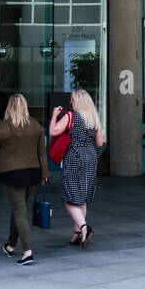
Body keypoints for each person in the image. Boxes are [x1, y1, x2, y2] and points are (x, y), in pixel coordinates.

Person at [0, 93, 48, 265]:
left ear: (9, 107)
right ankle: (10, 245)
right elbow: (42, 153)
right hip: (32, 173)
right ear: (25, 106)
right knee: (19, 208)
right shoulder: (35, 125)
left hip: (12, 174)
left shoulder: (4, 127)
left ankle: (28, 252)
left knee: (19, 211)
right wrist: (45, 174)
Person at [49, 88, 104, 250]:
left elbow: (53, 131)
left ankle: (84, 227)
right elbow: (99, 143)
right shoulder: (95, 118)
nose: (70, 103)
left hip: (73, 157)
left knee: (69, 197)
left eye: (72, 100)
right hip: (91, 158)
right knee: (81, 197)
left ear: (76, 102)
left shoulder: (70, 116)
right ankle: (77, 235)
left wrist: (54, 116)